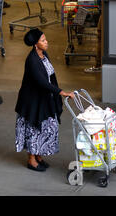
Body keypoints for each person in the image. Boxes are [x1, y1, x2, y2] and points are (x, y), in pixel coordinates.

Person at [15, 28, 74, 172]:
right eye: (43, 40)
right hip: (32, 101)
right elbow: (41, 82)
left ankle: (39, 155)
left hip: (44, 98)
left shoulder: (43, 55)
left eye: (45, 39)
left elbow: (50, 76)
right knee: (34, 129)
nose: (46, 42)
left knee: (47, 127)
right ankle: (31, 159)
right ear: (35, 44)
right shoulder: (32, 60)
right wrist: (61, 92)